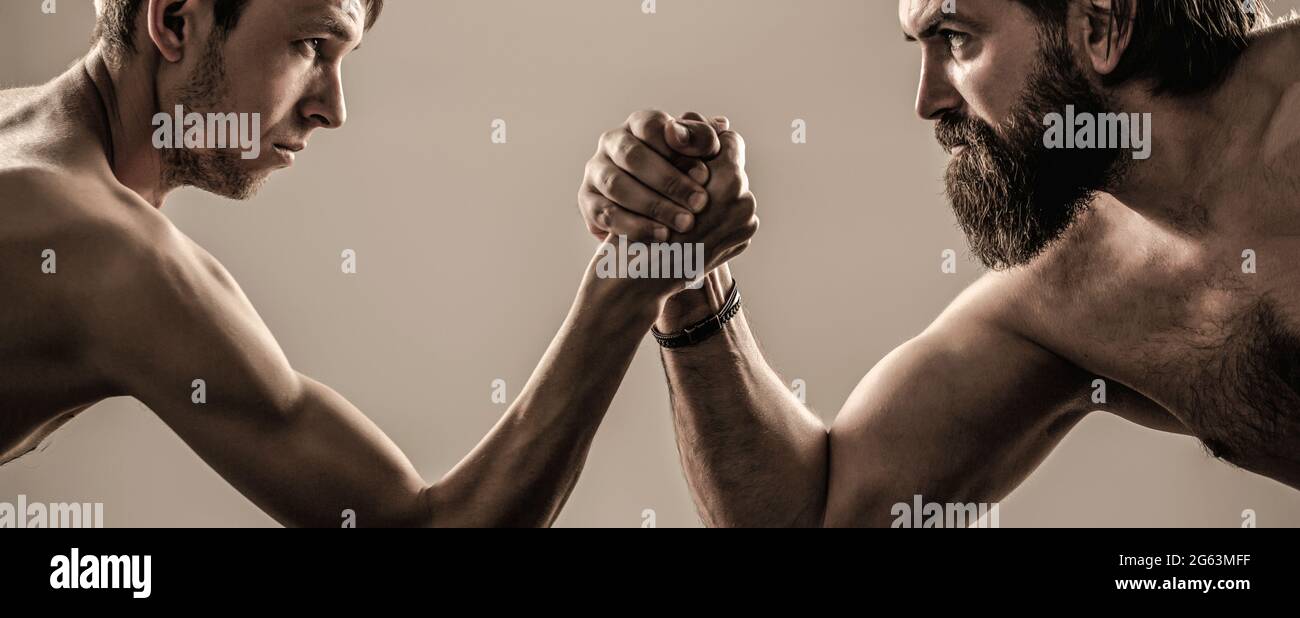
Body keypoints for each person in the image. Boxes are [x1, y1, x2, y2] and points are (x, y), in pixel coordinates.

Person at [0, 0, 757, 527]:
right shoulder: (108, 258)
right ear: (174, 20)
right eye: (310, 47)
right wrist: (627, 289)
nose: (331, 106)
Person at [578, 0, 1300, 526]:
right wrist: (685, 270)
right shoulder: (1066, 296)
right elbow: (819, 520)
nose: (926, 102)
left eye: (954, 38)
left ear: (1102, 24)